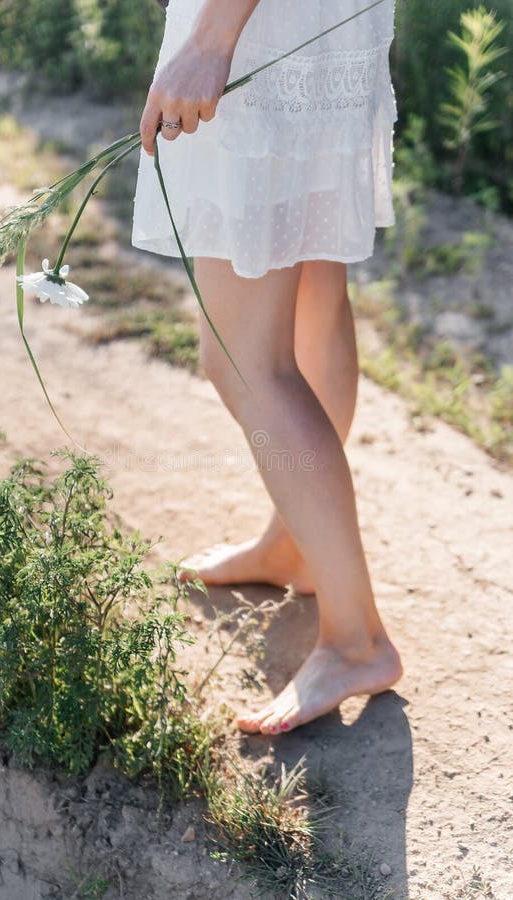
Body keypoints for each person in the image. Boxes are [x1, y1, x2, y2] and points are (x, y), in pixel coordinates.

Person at [132, 0, 403, 736]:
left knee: (246, 360)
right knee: (311, 282)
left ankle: (356, 641)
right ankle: (292, 544)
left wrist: (213, 34)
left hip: (259, 25)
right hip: (320, 21)